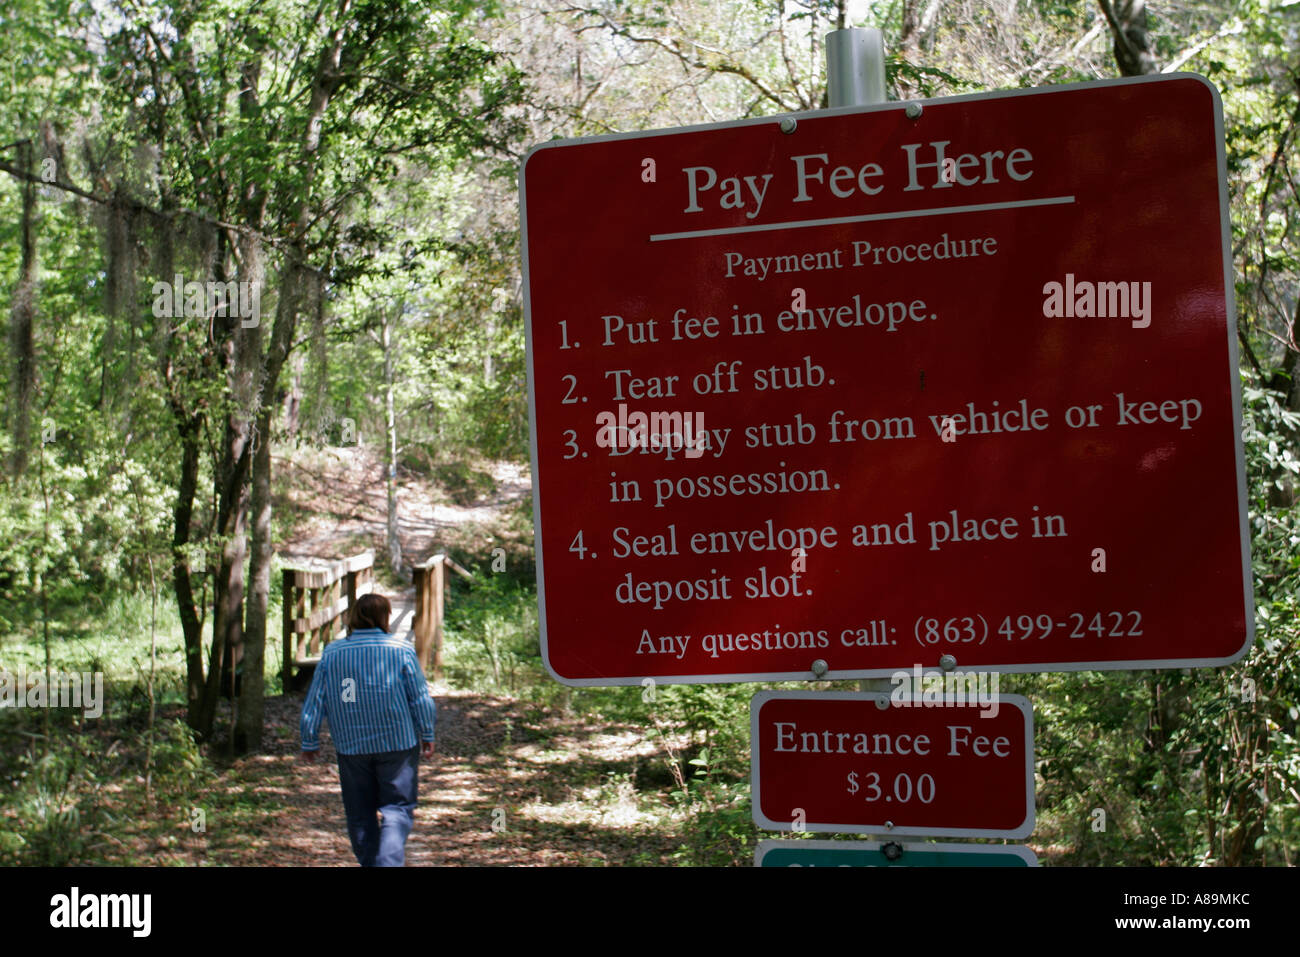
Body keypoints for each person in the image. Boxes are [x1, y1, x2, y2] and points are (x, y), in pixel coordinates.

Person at [299, 592, 437, 866]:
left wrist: (309, 738)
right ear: (385, 617)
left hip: (352, 745)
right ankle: (388, 862)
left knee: (360, 813)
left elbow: (317, 697)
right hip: (397, 743)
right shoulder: (401, 650)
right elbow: (419, 696)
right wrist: (427, 732)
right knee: (397, 808)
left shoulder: (333, 652)